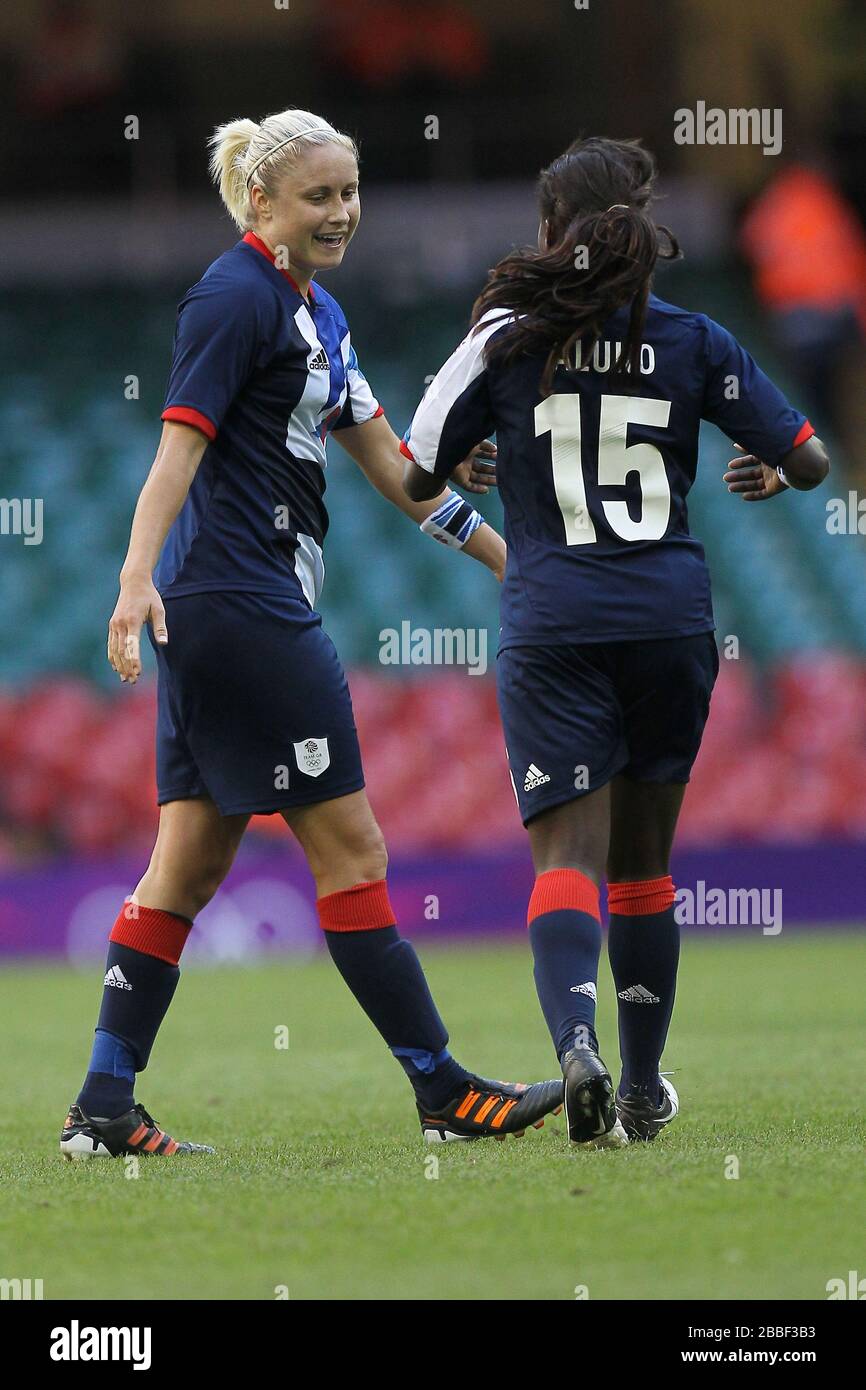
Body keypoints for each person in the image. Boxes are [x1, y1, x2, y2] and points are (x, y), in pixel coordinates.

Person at [59, 107, 563, 1160]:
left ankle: (105, 1104)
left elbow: (391, 467)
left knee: (186, 869)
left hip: (225, 613)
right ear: (261, 203)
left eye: (349, 191)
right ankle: (440, 1087)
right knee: (355, 851)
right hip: (243, 608)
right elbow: (177, 446)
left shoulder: (316, 313)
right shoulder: (232, 297)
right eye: (317, 196)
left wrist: (515, 564)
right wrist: (132, 574)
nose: (340, 212)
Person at [402, 136, 830, 1148]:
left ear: (551, 232)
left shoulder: (505, 338)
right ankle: (639, 1090)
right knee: (642, 863)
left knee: (565, 854)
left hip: (553, 621)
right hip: (667, 621)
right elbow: (808, 458)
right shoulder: (692, 338)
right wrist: (770, 472)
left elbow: (416, 468)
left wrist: (474, 457)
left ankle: (573, 1044)